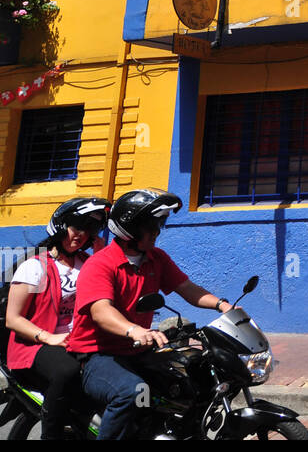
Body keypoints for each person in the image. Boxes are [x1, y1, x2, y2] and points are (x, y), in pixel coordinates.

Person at [65, 188, 233, 439]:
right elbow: (101, 311)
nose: (157, 231)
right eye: (151, 226)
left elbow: (186, 288)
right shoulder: (100, 264)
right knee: (130, 392)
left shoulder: (156, 258)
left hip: (137, 350)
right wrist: (134, 330)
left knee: (191, 381)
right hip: (96, 354)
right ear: (130, 228)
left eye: (158, 225)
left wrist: (222, 305)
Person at [4, 197, 110, 439]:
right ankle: (50, 435)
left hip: (80, 340)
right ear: (61, 226)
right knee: (68, 370)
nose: (81, 235)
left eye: (89, 230)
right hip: (35, 344)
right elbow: (13, 319)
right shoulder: (35, 267)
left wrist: (102, 254)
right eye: (77, 227)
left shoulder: (88, 263)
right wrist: (49, 337)